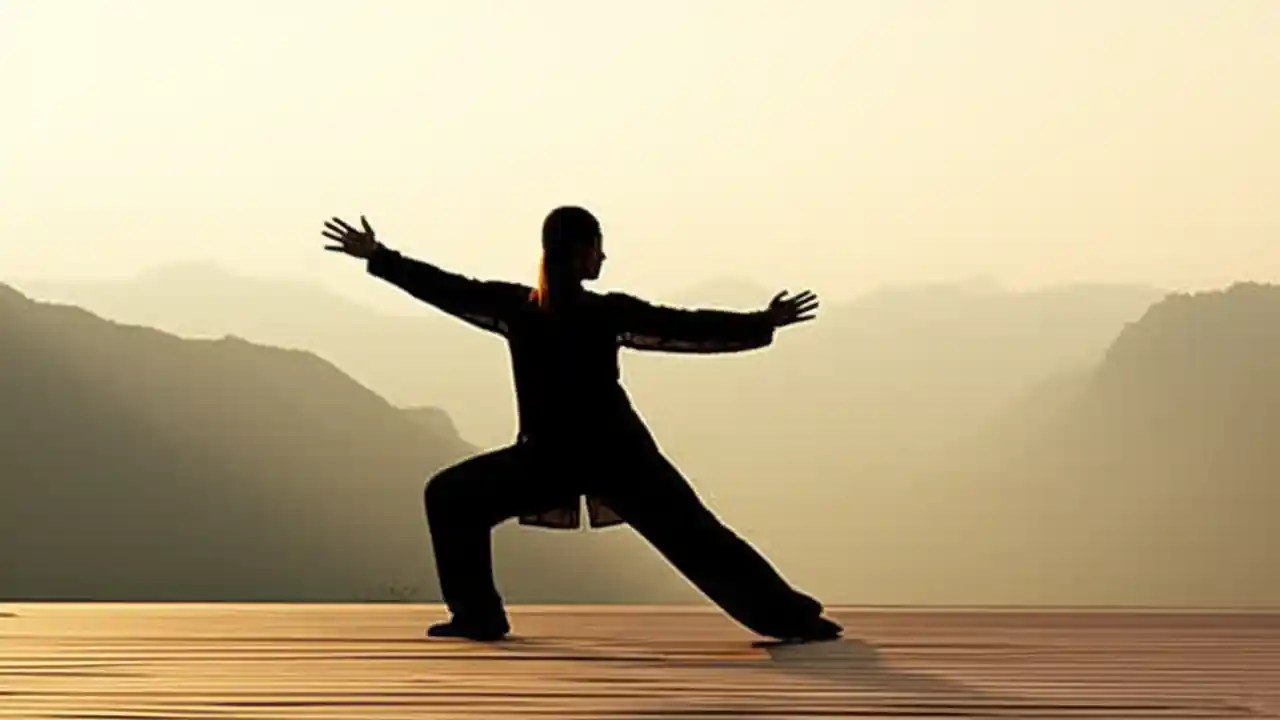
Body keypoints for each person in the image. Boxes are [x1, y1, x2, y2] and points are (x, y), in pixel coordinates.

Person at [321, 207, 842, 643]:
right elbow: (682, 326)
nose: (603, 256)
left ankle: (478, 616)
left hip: (576, 458)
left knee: (453, 497)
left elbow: (448, 289)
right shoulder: (586, 311)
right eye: (598, 246)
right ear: (577, 250)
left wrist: (379, 257)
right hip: (601, 456)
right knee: (698, 538)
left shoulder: (525, 309)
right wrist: (759, 323)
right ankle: (792, 617)